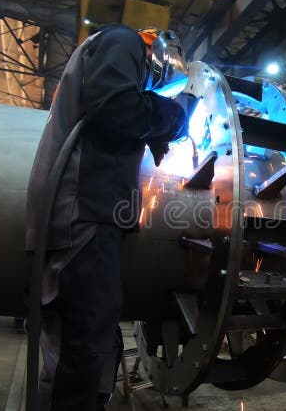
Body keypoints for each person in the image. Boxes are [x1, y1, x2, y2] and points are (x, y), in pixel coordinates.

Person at [25, 24, 190, 410]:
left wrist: (150, 133)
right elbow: (114, 104)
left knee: (91, 337)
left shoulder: (108, 52)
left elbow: (110, 107)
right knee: (82, 343)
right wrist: (175, 117)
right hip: (81, 211)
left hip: (84, 212)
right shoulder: (124, 41)